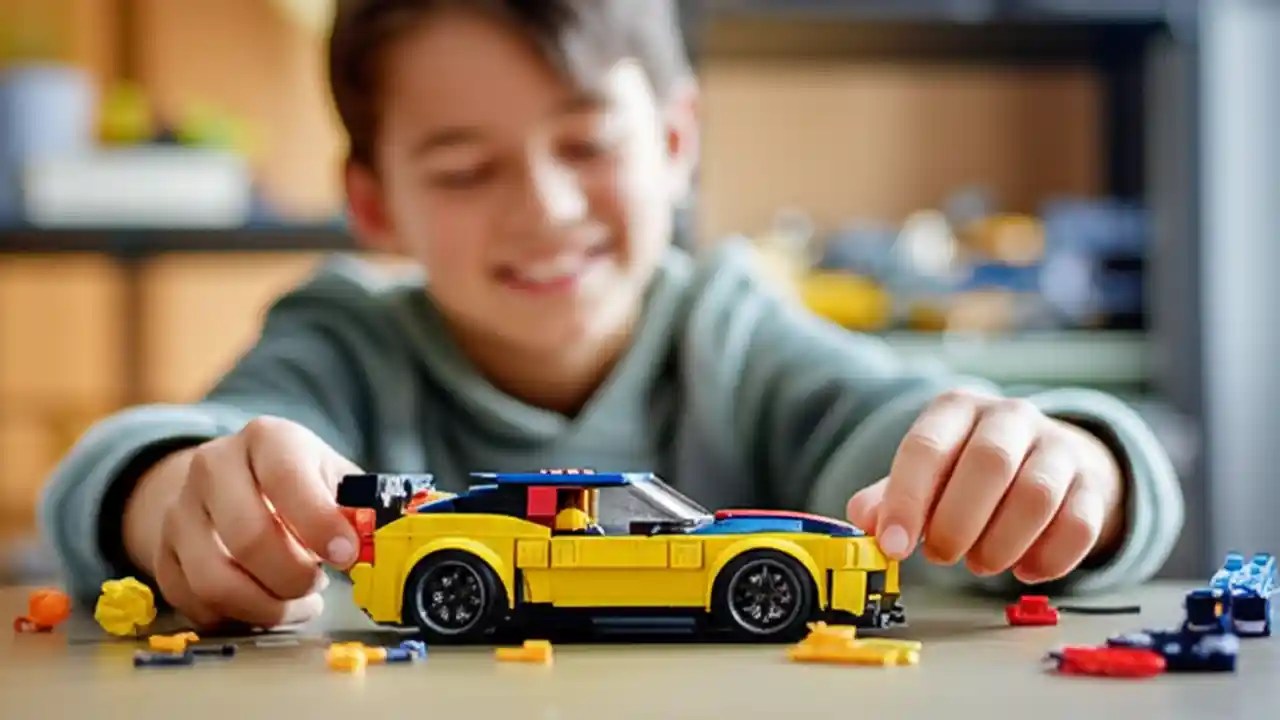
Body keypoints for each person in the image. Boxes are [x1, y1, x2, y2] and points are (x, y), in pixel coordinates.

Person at [40, 0, 1183, 629]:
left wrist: (1067, 463)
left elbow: (907, 433)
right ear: (373, 202)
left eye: (586, 144)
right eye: (461, 167)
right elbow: (170, 455)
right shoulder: (346, 340)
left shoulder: (736, 333)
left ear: (676, 144)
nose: (542, 208)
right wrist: (168, 494)